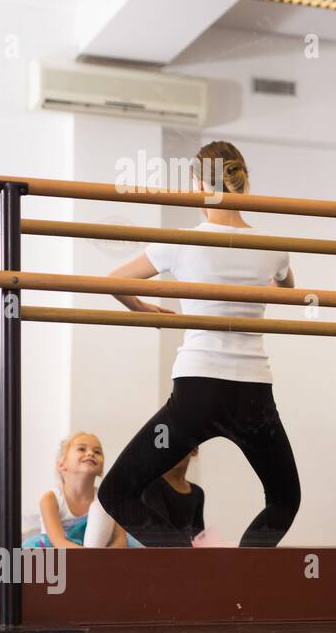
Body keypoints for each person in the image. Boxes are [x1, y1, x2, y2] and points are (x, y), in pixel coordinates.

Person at [84, 141, 301, 548]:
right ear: (244, 181)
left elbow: (113, 282)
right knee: (285, 499)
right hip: (253, 395)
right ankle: (238, 576)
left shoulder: (179, 241)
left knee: (116, 492)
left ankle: (189, 566)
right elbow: (287, 287)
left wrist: (145, 309)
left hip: (196, 392)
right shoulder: (274, 246)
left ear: (199, 184)